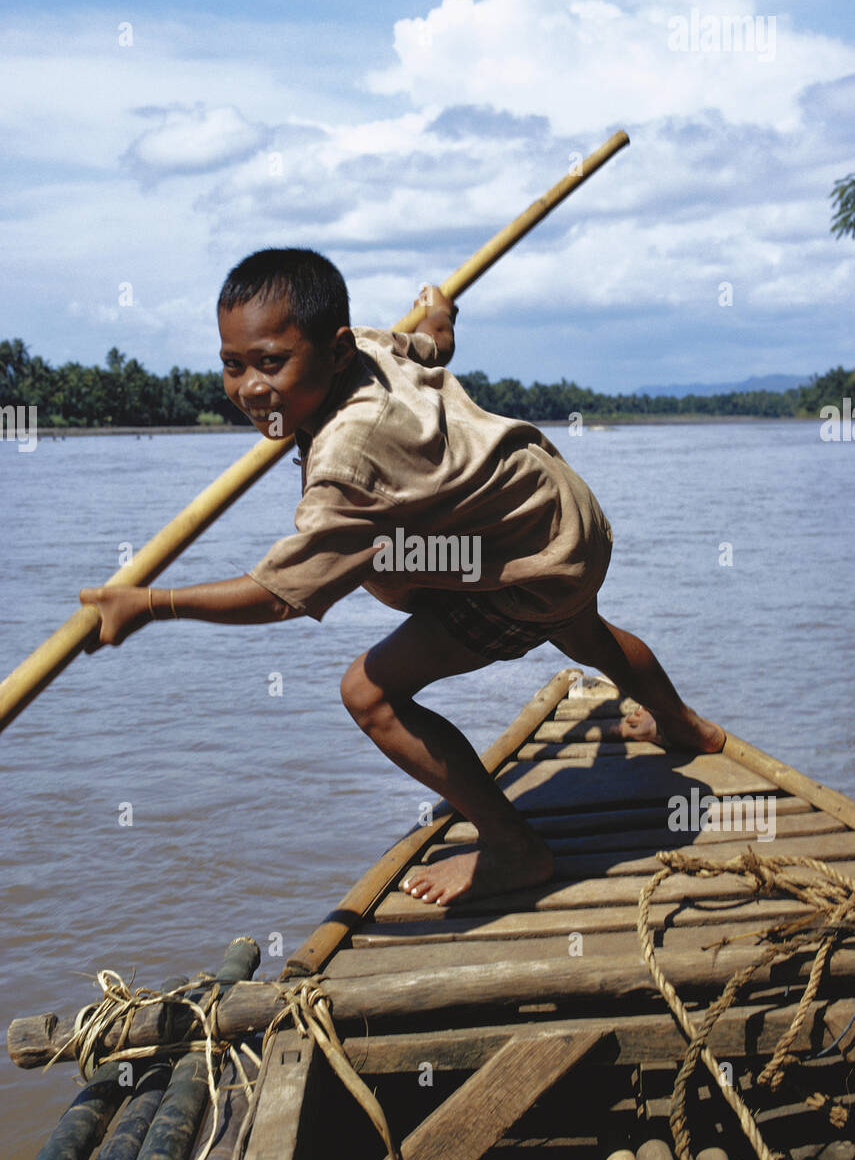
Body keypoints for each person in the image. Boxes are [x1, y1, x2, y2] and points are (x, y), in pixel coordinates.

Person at [80, 247, 724, 907]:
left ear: (330, 353)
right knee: (568, 621)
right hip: (560, 518)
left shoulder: (346, 459)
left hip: (527, 560)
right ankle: (683, 728)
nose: (249, 386)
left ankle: (513, 847)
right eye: (232, 364)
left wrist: (149, 604)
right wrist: (441, 314)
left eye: (271, 363)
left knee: (369, 691)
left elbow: (280, 596)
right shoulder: (364, 345)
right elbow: (430, 343)